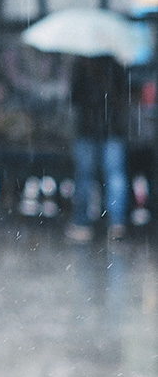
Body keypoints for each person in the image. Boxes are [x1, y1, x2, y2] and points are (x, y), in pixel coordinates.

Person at [65, 55, 130, 242]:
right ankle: (116, 223)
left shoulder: (82, 63)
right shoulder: (117, 63)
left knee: (84, 176)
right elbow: (124, 94)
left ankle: (82, 223)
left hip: (87, 128)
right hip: (112, 129)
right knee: (115, 175)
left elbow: (74, 97)